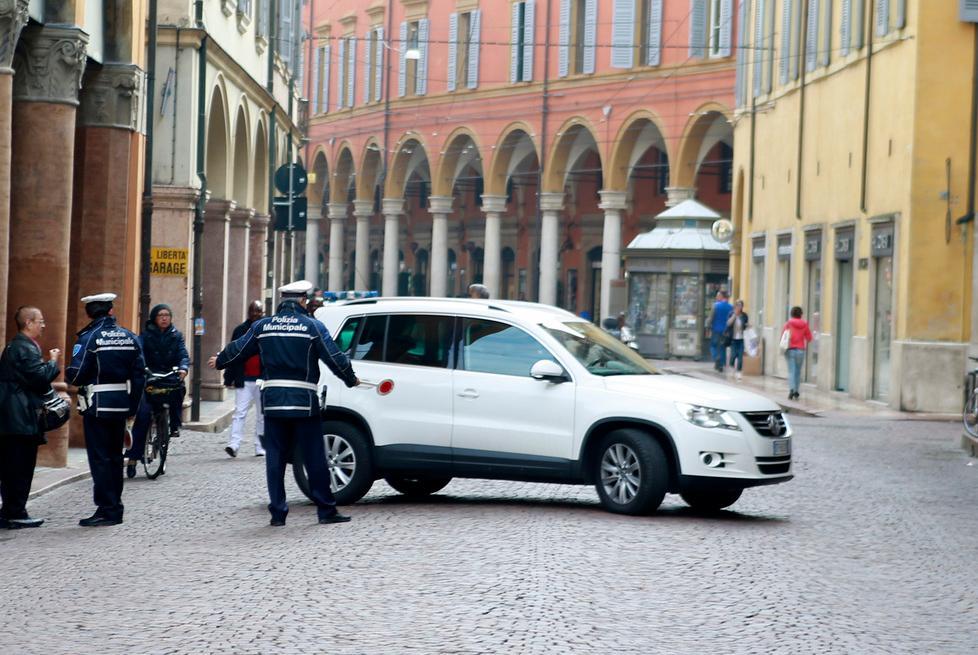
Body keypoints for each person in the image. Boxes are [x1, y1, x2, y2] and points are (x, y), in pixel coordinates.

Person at [208, 280, 360, 527]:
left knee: (275, 459)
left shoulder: (263, 326)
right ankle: (325, 510)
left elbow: (239, 349)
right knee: (314, 457)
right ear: (302, 300)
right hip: (304, 403)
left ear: (282, 300)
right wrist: (350, 379)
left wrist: (221, 360)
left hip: (274, 402)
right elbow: (335, 357)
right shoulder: (312, 326)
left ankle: (278, 513)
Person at [66, 293, 145, 527]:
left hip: (96, 404)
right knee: (114, 457)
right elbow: (140, 376)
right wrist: (133, 406)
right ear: (110, 311)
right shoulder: (130, 337)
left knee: (100, 459)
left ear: (90, 313)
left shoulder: (89, 338)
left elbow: (77, 375)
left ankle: (106, 508)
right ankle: (115, 507)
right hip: (121, 403)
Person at [0, 307, 60, 529]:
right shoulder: (24, 347)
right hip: (19, 418)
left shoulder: (18, 346)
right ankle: (15, 512)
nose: (43, 325)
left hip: (13, 416)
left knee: (12, 466)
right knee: (20, 467)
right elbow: (40, 378)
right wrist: (53, 362)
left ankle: (11, 511)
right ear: (28, 323)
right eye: (40, 321)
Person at [125, 303, 189, 478]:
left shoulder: (176, 336)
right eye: (160, 315)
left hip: (168, 377)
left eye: (167, 315)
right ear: (154, 317)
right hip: (150, 378)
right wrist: (143, 368)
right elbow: (140, 355)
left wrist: (183, 367)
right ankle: (132, 458)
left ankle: (175, 424)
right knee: (144, 415)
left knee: (179, 389)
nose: (164, 318)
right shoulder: (145, 336)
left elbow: (183, 354)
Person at [223, 300, 265, 458]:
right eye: (253, 311)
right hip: (244, 378)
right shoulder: (240, 330)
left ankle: (260, 446)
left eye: (258, 311)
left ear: (263, 312)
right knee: (239, 412)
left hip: (262, 379)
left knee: (262, 415)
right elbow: (232, 353)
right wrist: (229, 378)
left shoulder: (267, 330)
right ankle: (233, 444)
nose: (255, 314)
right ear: (248, 312)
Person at [782, 306, 814, 400]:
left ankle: (791, 389)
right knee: (798, 372)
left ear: (791, 314)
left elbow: (783, 336)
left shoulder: (788, 324)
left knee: (791, 371)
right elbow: (809, 338)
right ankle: (796, 391)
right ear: (801, 314)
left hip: (790, 349)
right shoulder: (804, 324)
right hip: (800, 350)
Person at [707, 290, 734, 372]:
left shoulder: (716, 305)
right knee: (722, 347)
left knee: (713, 346)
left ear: (722, 296)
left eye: (718, 295)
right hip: (726, 331)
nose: (716, 297)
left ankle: (716, 358)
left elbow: (711, 318)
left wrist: (708, 326)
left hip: (716, 329)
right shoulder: (731, 307)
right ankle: (721, 365)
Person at [725, 300, 750, 381]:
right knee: (733, 355)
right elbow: (728, 324)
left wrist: (747, 325)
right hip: (733, 339)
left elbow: (746, 325)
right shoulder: (731, 314)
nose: (739, 307)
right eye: (738, 305)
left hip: (741, 339)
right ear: (735, 306)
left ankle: (739, 372)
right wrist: (734, 315)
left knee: (740, 356)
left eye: (740, 305)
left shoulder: (744, 315)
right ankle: (732, 367)